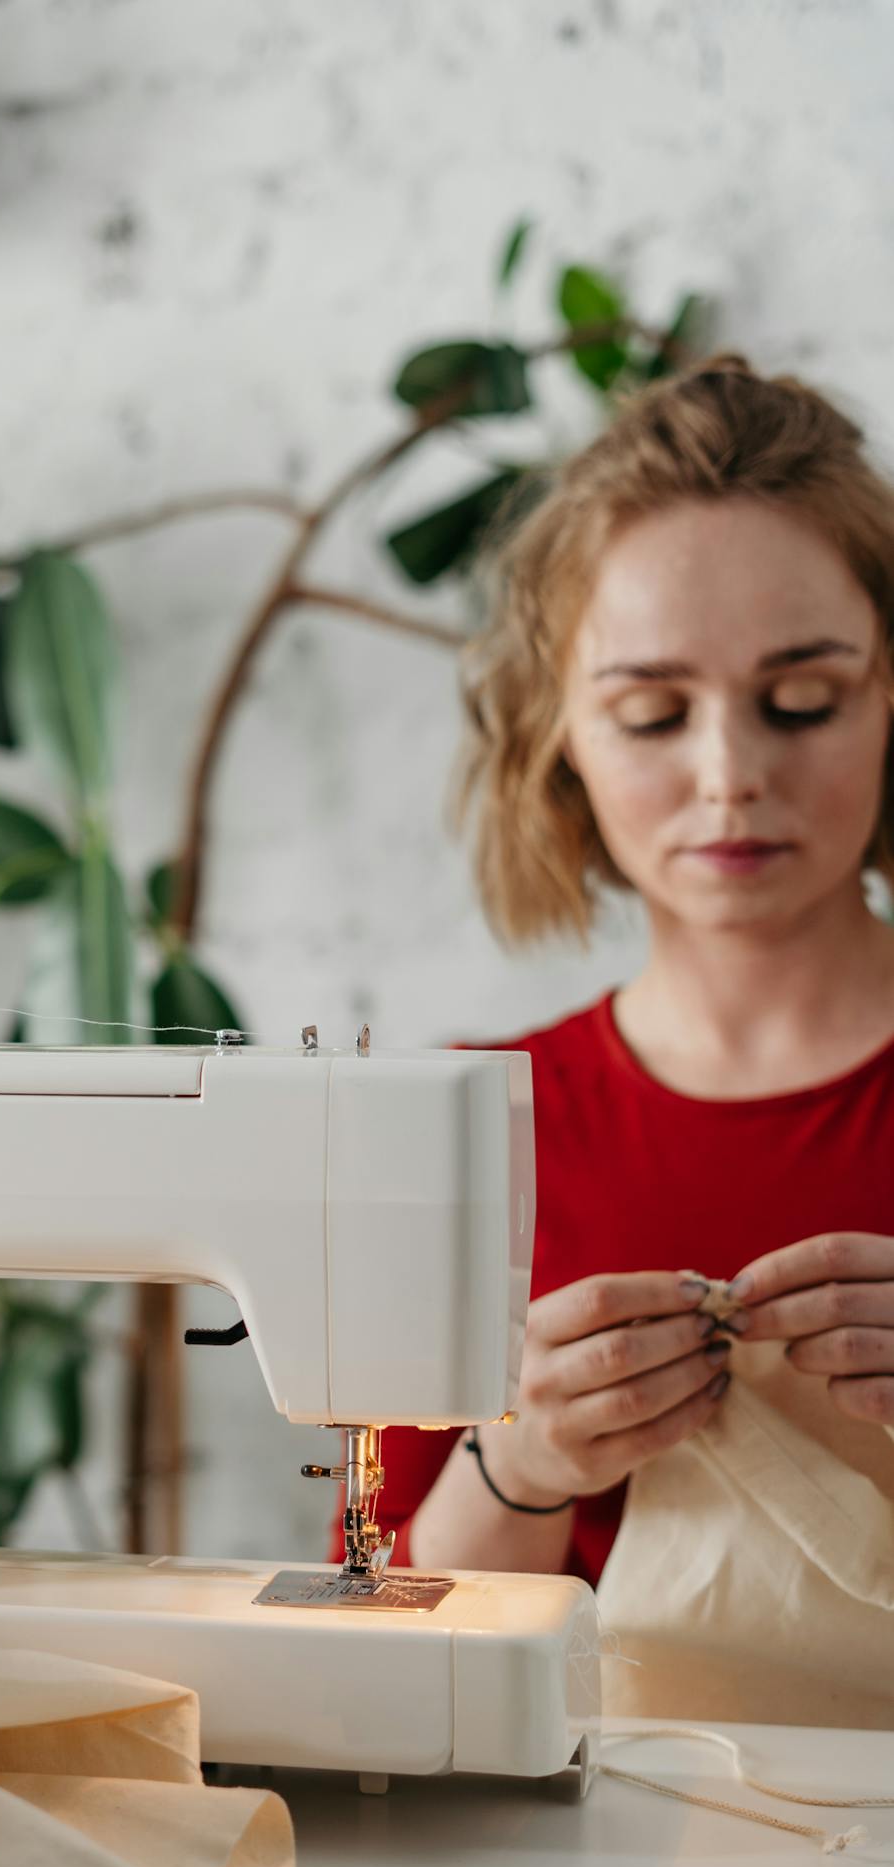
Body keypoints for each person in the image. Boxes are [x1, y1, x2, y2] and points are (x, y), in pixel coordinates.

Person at [364, 353, 894, 1590]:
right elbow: (386, 1631)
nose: (729, 777)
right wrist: (523, 1463)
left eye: (804, 701)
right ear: (559, 743)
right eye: (656, 715)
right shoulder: (465, 1134)